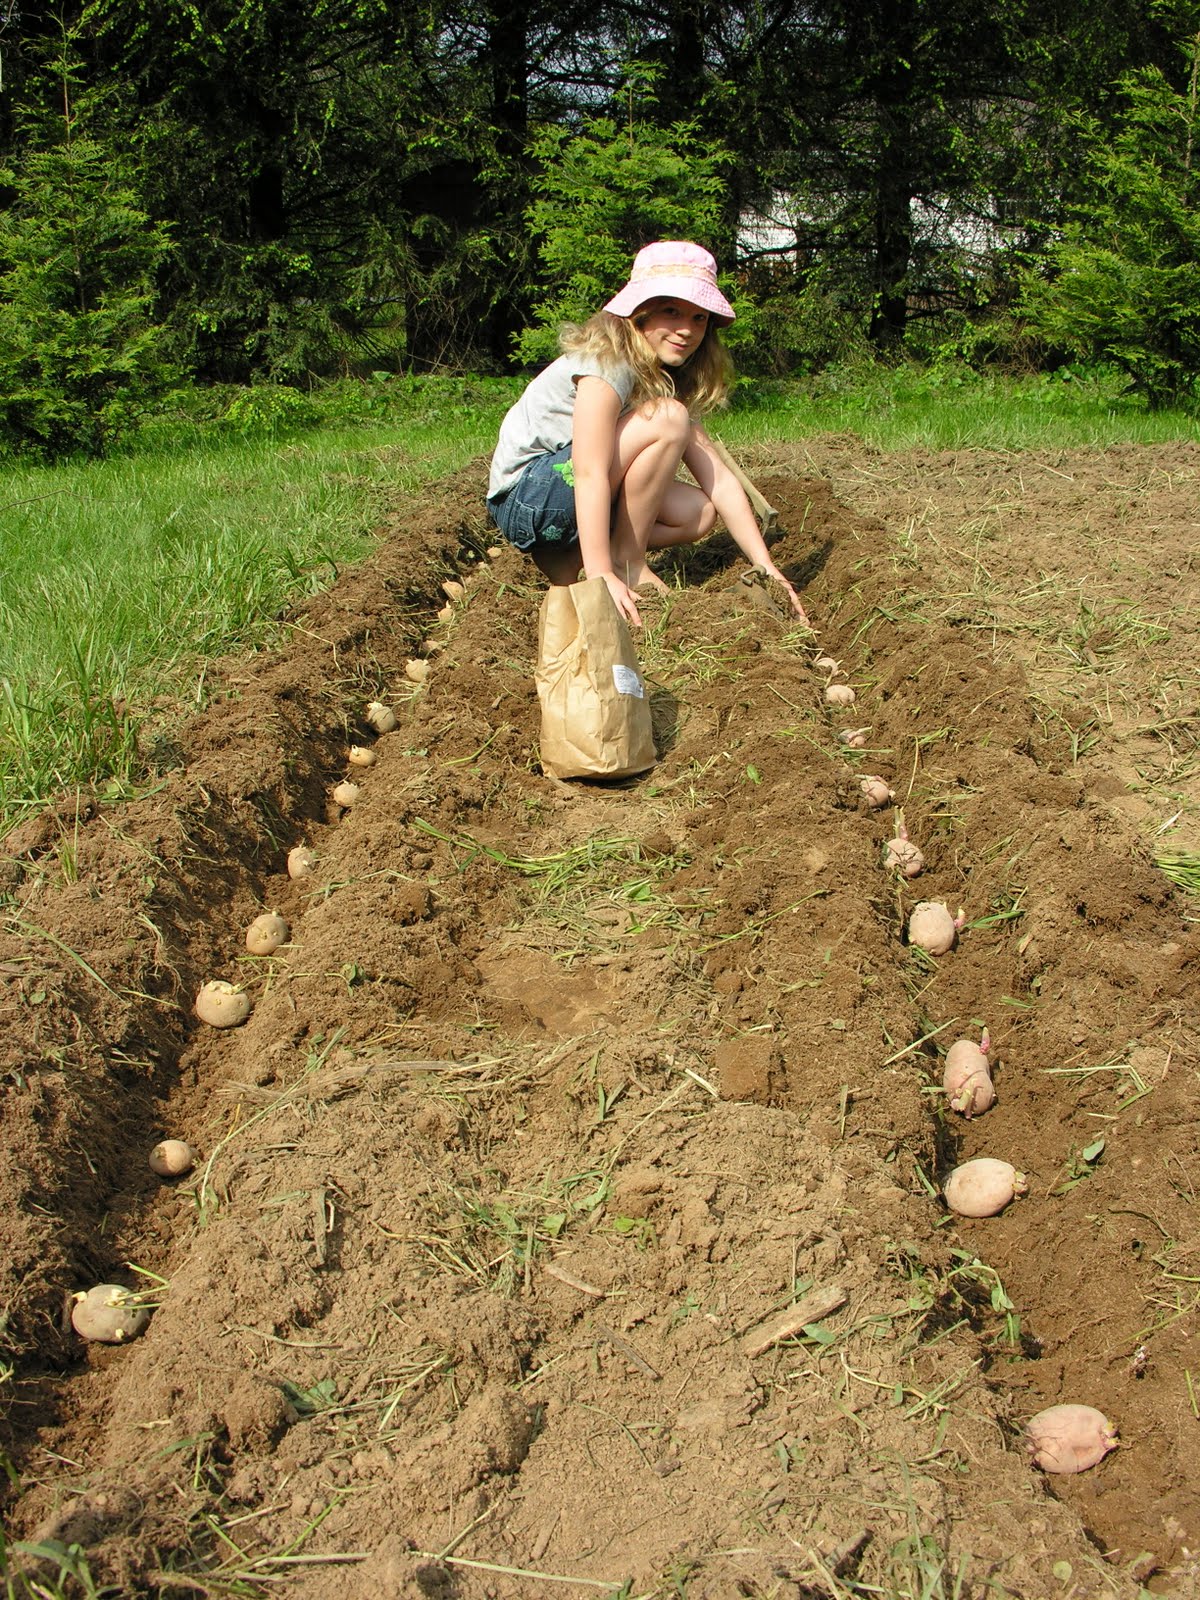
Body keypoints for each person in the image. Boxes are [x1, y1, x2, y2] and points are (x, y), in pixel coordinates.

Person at [486, 240, 808, 628]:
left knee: (699, 513)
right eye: (671, 312)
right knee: (669, 418)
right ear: (637, 313)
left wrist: (767, 566)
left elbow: (718, 479)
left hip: (561, 495)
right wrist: (602, 574)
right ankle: (621, 563)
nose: (687, 330)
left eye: (699, 318)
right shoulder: (608, 363)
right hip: (527, 498)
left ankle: (577, 555)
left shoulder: (658, 375)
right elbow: (588, 471)